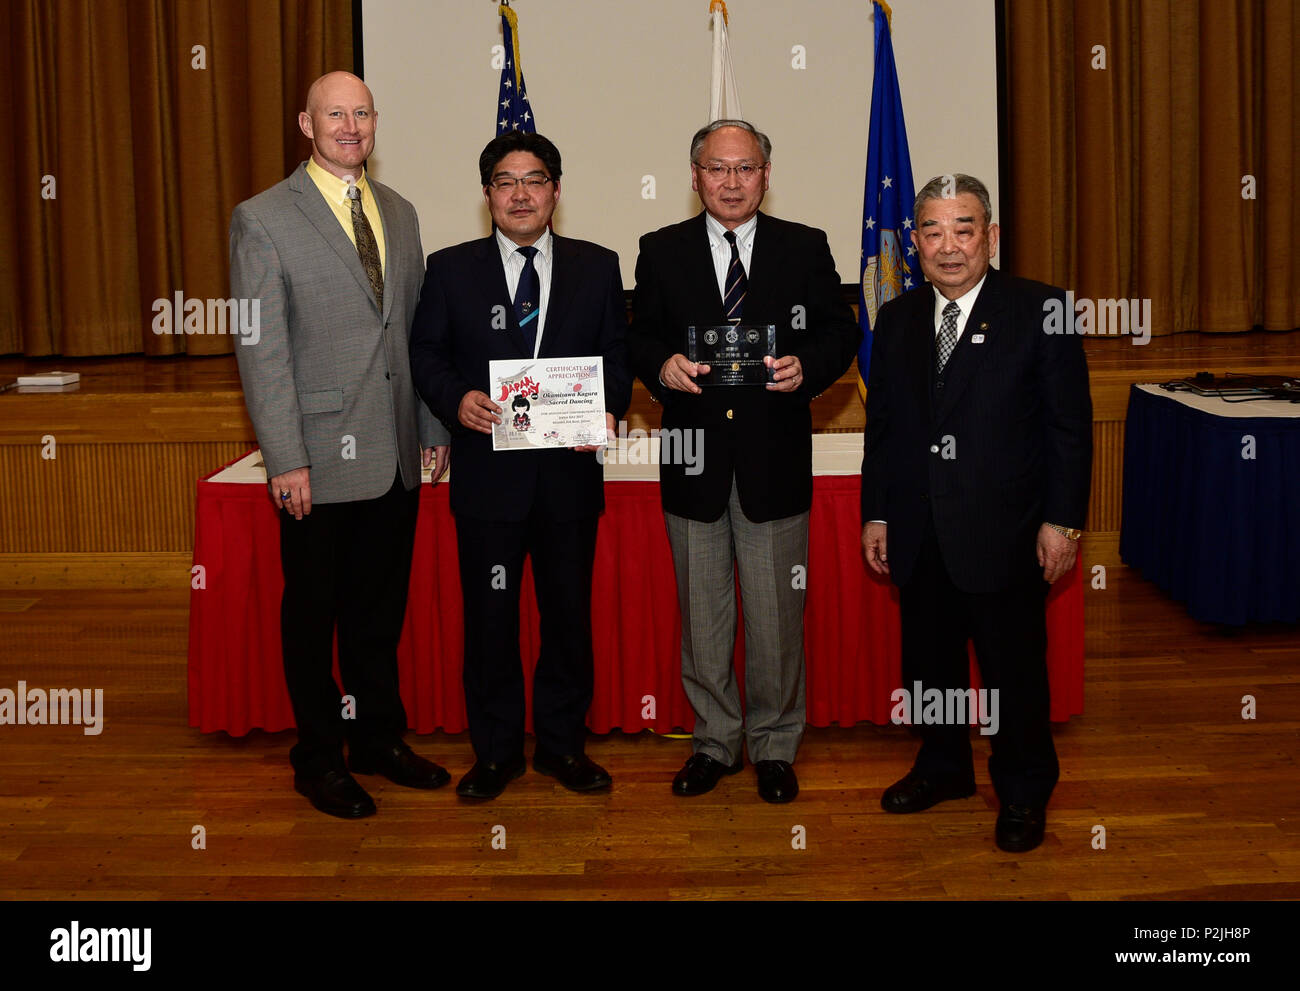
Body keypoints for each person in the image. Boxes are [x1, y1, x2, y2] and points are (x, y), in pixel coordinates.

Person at [230, 71, 452, 819]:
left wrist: (430, 430)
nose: (350, 125)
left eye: (361, 113)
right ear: (305, 123)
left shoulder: (400, 210)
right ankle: (318, 756)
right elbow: (261, 351)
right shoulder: (262, 218)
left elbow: (417, 334)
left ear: (375, 122)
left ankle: (377, 740)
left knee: (377, 613)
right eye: (335, 113)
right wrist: (285, 456)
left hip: (394, 454)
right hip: (316, 460)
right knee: (313, 615)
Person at [628, 119, 861, 803]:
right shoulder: (661, 249)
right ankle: (714, 741)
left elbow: (839, 332)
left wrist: (808, 369)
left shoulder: (804, 246)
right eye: (717, 168)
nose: (732, 182)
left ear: (766, 174)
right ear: (695, 176)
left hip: (775, 459)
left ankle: (775, 744)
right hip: (692, 459)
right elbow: (637, 337)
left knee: (776, 617)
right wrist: (660, 364)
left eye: (746, 168)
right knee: (703, 618)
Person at [860, 173, 1092, 852]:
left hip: (1010, 534)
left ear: (990, 235)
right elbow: (887, 432)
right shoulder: (897, 317)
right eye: (932, 230)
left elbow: (1069, 431)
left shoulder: (1041, 309)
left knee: (1013, 672)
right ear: (915, 242)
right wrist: (878, 513)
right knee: (930, 667)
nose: (949, 245)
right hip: (920, 534)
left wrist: (1063, 521)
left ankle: (1022, 790)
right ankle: (943, 767)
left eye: (964, 228)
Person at [409, 131, 631, 800]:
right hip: (488, 484)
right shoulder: (450, 269)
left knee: (568, 621)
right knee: (490, 623)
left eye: (534, 179)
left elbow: (617, 361)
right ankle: (498, 753)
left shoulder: (598, 265)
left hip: (568, 480)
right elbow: (427, 356)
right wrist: (457, 399)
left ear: (556, 190)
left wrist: (609, 408)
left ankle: (563, 747)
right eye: (505, 181)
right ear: (487, 195)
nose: (520, 193)